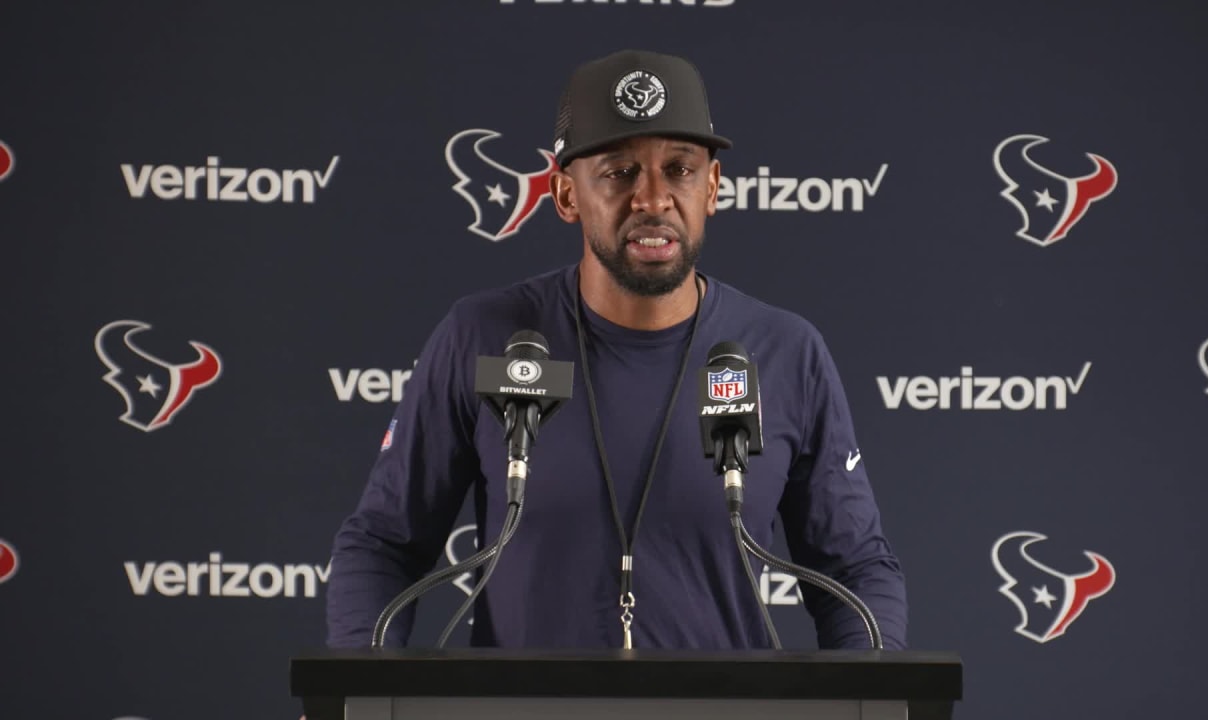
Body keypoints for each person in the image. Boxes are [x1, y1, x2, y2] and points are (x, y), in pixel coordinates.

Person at [325, 48, 908, 651]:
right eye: (619, 172)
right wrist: (353, 697)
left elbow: (856, 571)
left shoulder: (786, 352)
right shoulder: (482, 334)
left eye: (679, 169)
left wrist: (873, 702)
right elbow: (383, 544)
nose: (652, 199)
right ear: (566, 195)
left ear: (712, 187)